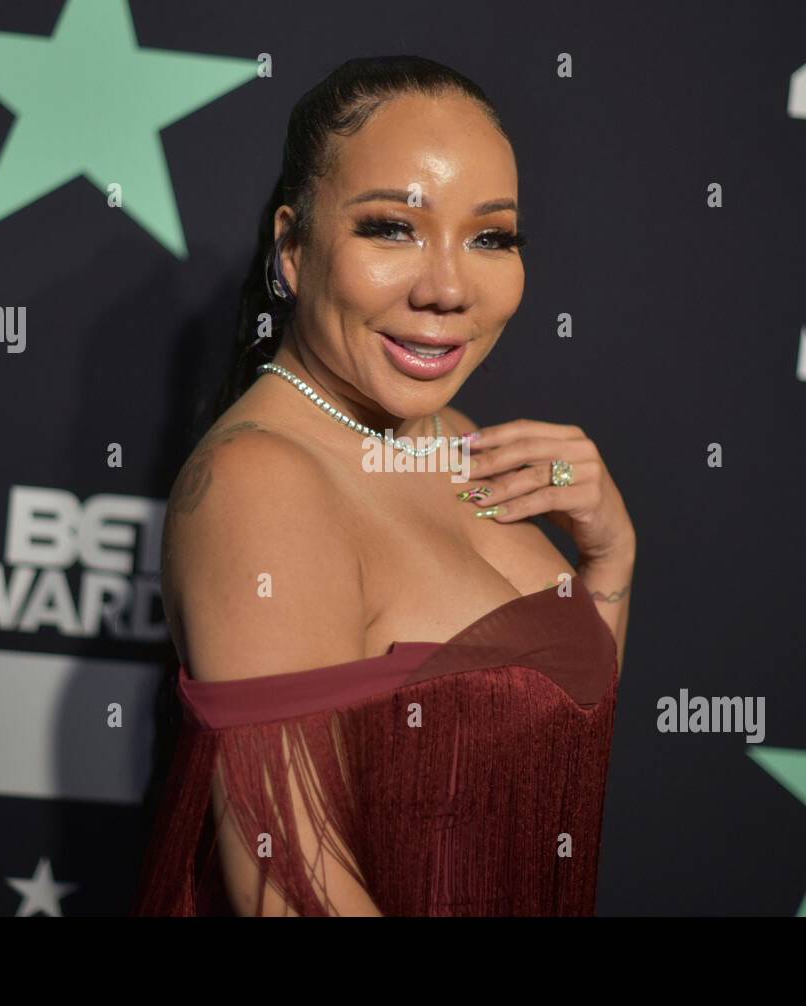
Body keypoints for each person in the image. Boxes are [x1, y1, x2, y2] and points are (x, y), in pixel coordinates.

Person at [131, 54, 636, 917]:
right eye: (391, 229)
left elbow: (546, 773)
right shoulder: (260, 483)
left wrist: (612, 561)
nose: (446, 288)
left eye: (491, 237)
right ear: (292, 248)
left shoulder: (462, 442)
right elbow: (288, 888)